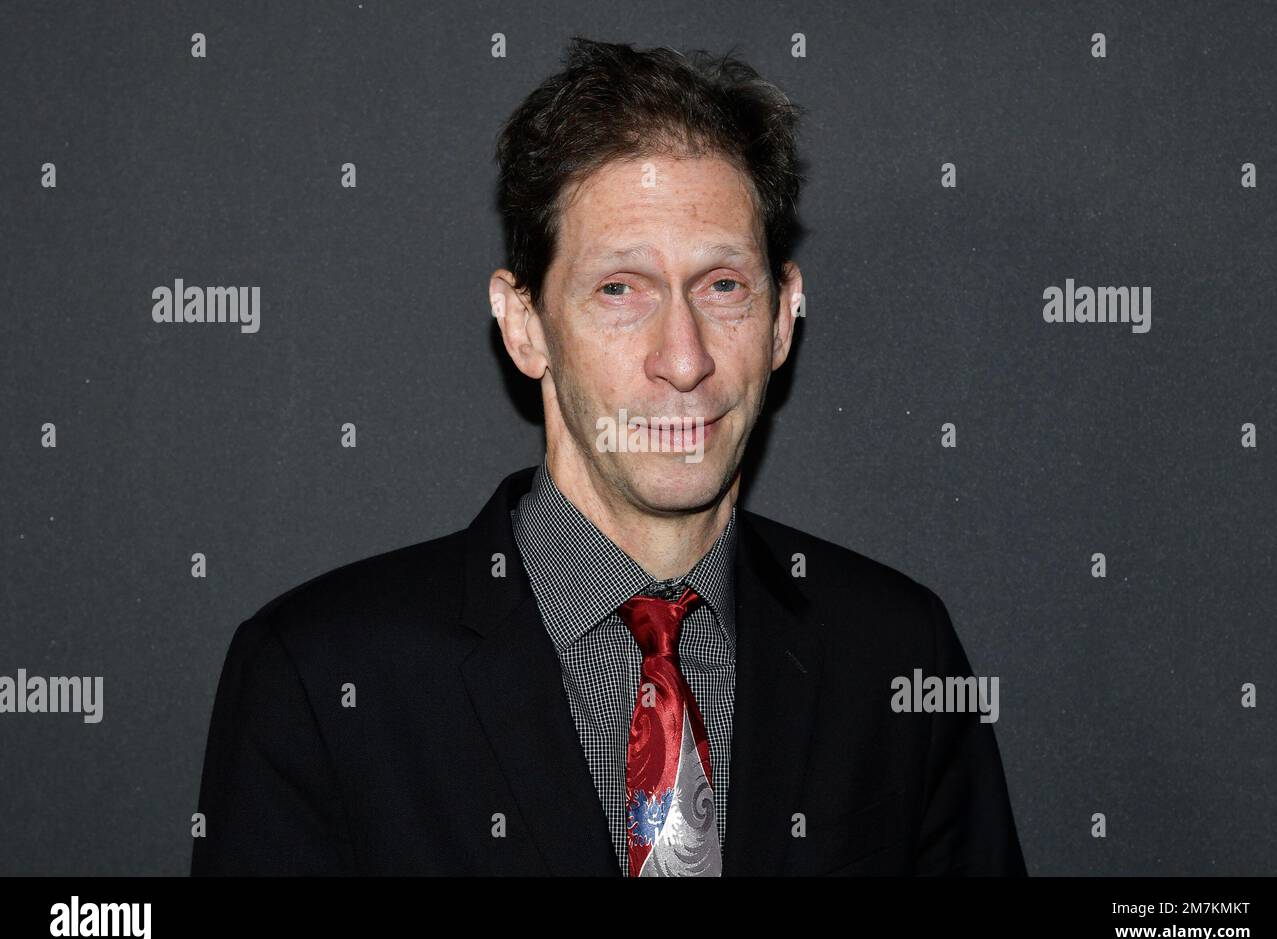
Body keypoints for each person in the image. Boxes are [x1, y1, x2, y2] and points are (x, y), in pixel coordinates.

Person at [191, 36, 1026, 877]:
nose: (685, 357)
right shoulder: (324, 679)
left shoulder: (895, 658)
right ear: (524, 326)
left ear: (782, 318)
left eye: (723, 286)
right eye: (620, 289)